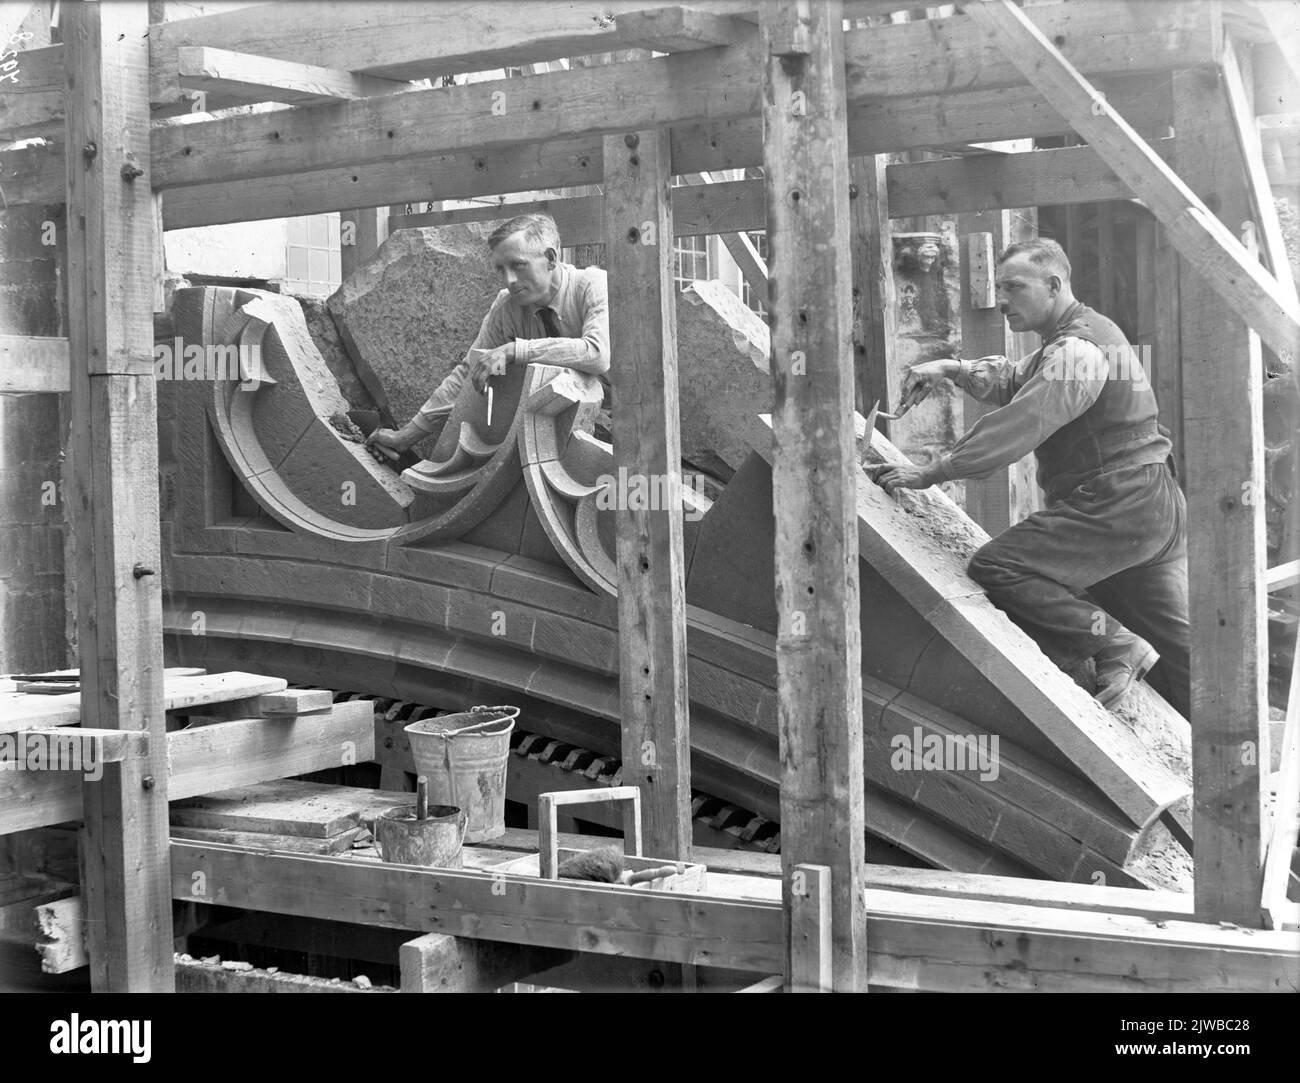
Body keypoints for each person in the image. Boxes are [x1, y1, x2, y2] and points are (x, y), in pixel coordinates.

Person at [866, 238, 1190, 715]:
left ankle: (1116, 645)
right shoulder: (1079, 338)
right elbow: (1019, 380)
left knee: (1000, 567)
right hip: (1152, 506)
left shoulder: (1077, 351)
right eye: (999, 288)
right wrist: (952, 368)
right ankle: (1215, 758)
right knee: (1177, 653)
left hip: (1117, 503)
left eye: (1014, 287)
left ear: (1054, 285)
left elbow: (1022, 421)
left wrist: (934, 471)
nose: (1001, 301)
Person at [365, 213, 609, 457]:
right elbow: (469, 373)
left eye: (518, 265)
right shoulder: (507, 307)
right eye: (501, 270)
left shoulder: (592, 285)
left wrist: (515, 350)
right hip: (563, 433)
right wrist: (406, 437)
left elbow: (596, 355)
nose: (509, 280)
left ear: (550, 258)